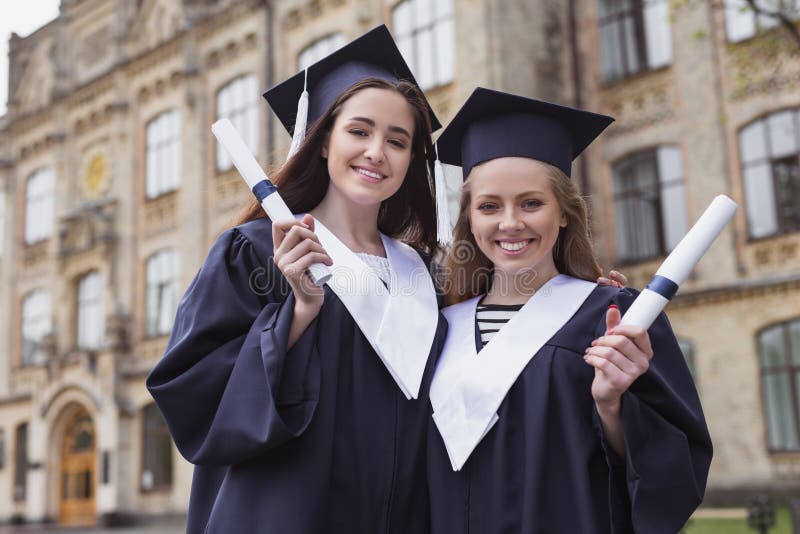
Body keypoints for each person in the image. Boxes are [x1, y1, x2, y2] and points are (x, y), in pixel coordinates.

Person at [146, 26, 448, 533]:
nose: (377, 151)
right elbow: (191, 391)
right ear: (322, 139)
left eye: (398, 141)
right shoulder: (256, 251)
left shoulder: (424, 274)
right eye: (359, 131)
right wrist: (296, 315)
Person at [427, 88, 712, 534]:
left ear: (563, 213)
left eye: (531, 203)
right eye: (488, 206)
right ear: (469, 219)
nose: (510, 223)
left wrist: (612, 404)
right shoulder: (439, 327)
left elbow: (671, 469)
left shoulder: (614, 316)